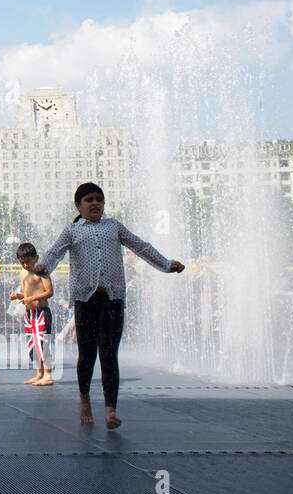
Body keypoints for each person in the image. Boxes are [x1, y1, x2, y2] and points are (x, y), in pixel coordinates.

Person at [34, 183, 184, 429]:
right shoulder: (72, 231)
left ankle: (110, 410)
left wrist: (166, 264)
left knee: (108, 354)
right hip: (85, 300)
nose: (95, 204)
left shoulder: (114, 227)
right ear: (78, 205)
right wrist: (44, 267)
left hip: (113, 299)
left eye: (99, 200)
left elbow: (141, 246)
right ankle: (84, 398)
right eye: (89, 200)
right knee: (87, 355)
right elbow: (54, 253)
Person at [12, 244, 54, 386]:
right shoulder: (23, 273)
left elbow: (49, 292)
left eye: (28, 262)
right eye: (22, 262)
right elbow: (26, 293)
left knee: (44, 343)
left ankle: (47, 374)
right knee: (34, 345)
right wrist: (18, 295)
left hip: (42, 312)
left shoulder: (42, 272)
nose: (25, 265)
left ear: (35, 258)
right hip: (30, 314)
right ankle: (39, 373)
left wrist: (32, 299)